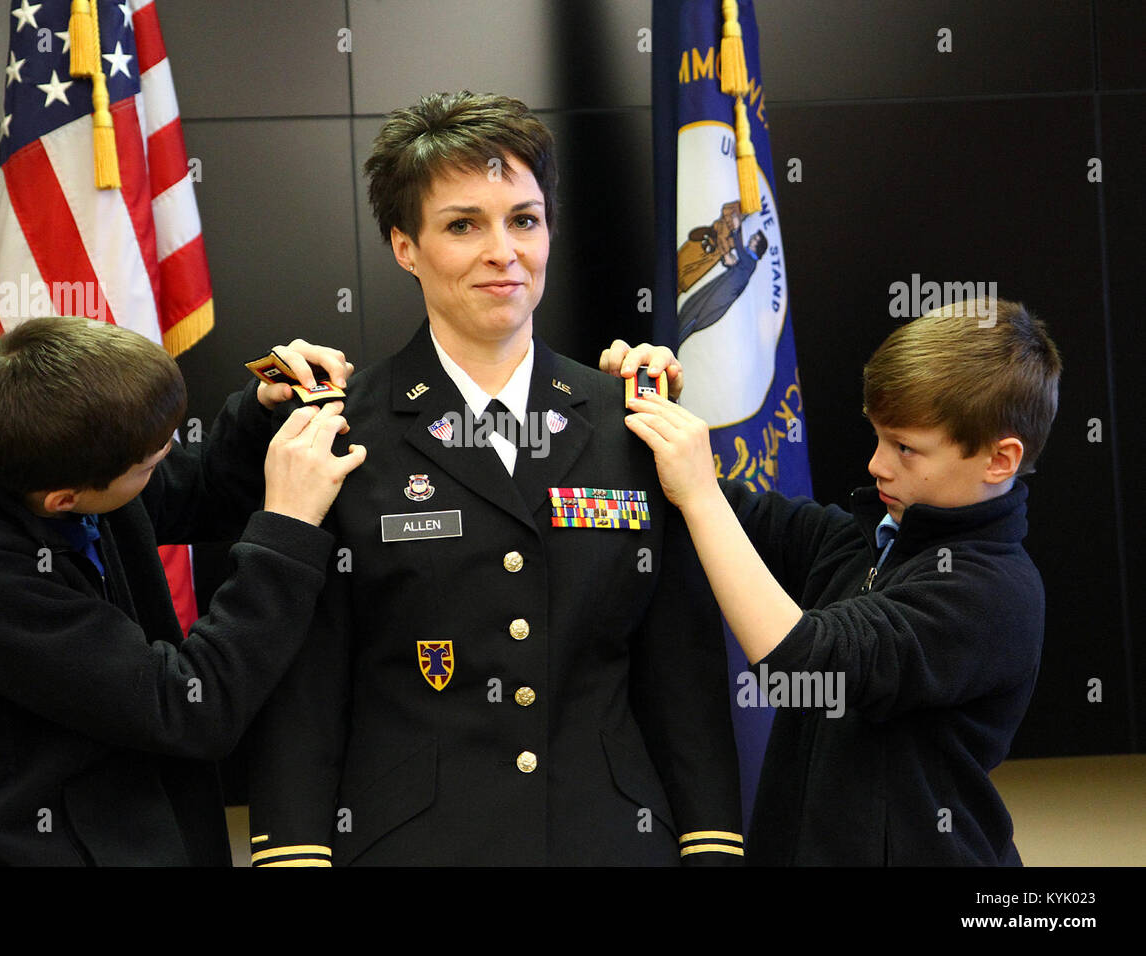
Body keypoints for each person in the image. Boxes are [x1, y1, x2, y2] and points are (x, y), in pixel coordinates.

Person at [246, 91, 742, 866]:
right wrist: (296, 854)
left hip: (611, 840)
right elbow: (307, 690)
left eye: (524, 219)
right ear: (404, 245)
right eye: (462, 225)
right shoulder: (342, 433)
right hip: (413, 845)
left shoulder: (634, 421)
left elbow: (680, 671)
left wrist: (713, 843)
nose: (503, 251)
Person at [0, 316, 365, 865]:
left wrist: (261, 411)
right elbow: (189, 707)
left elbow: (201, 488)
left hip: (162, 825)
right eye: (151, 463)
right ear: (64, 501)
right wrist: (288, 529)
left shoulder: (55, 447)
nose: (167, 457)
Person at [616, 299, 1061, 864]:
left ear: (1000, 460)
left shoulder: (991, 592)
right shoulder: (864, 540)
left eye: (905, 447)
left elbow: (797, 662)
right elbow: (719, 509)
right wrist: (651, 414)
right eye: (878, 438)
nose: (877, 464)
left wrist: (700, 492)